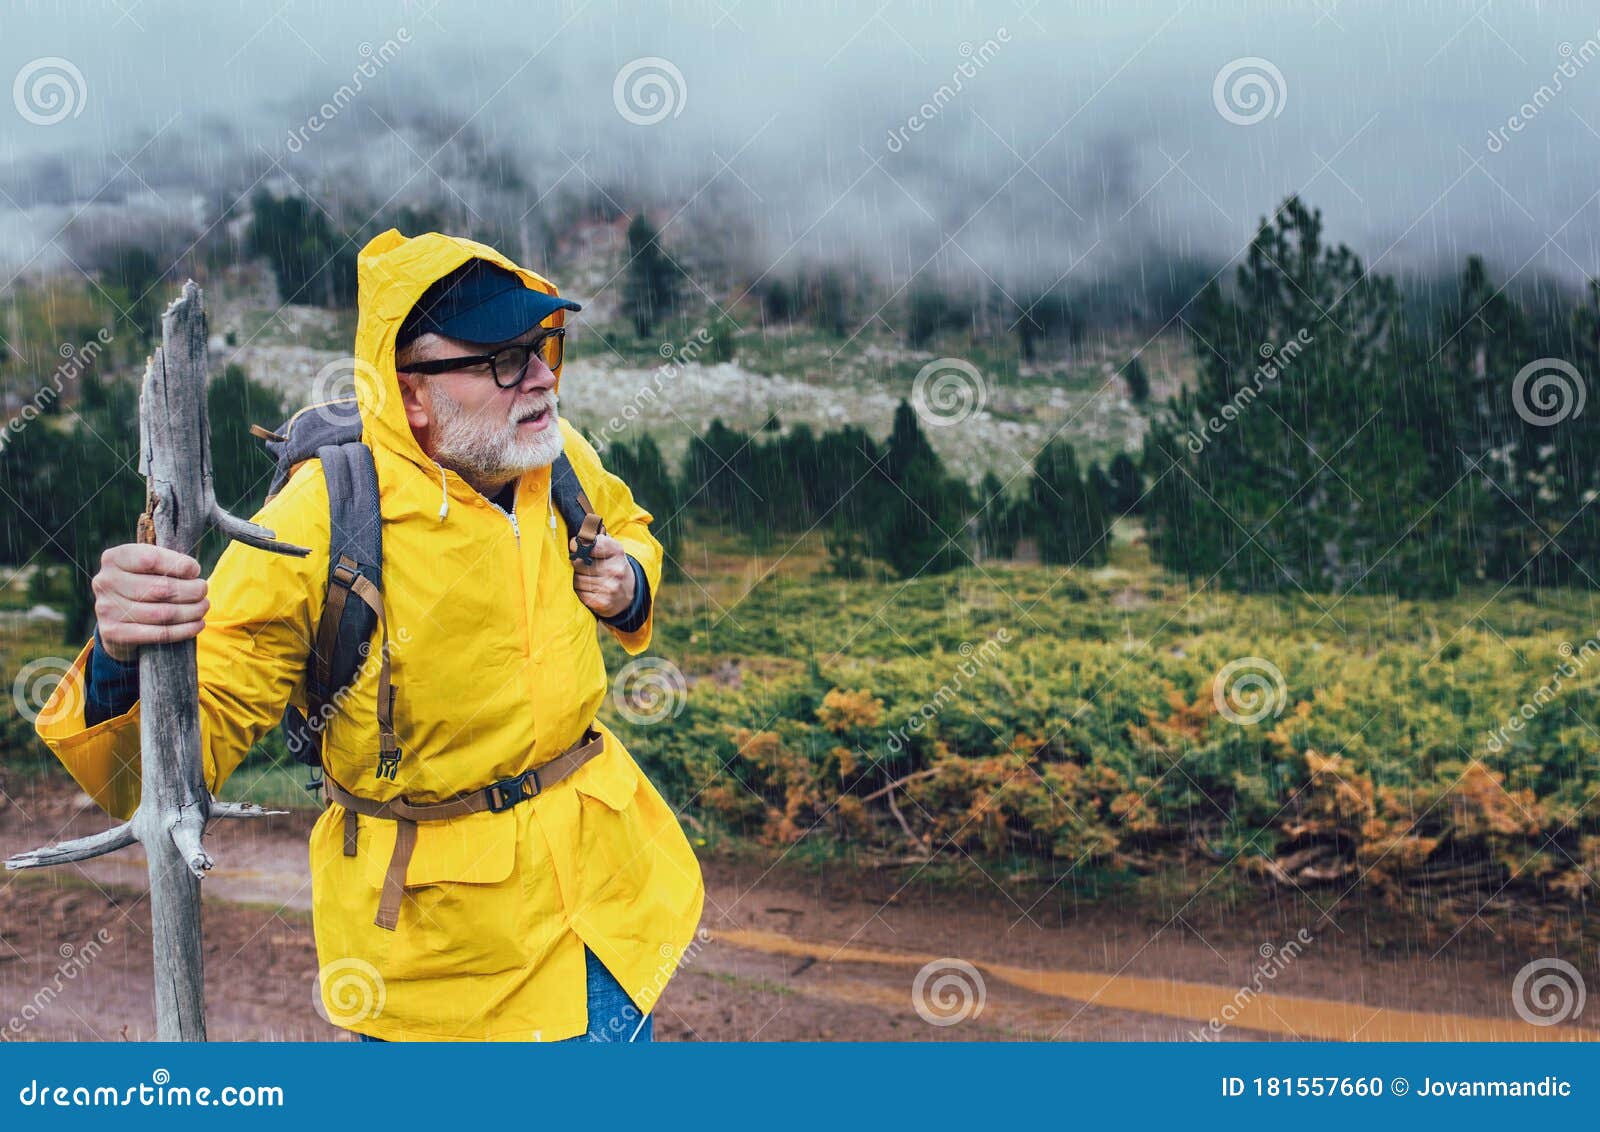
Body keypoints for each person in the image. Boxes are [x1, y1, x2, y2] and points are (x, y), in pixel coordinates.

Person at [32, 230, 705, 1042]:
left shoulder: (552, 456)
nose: (540, 378)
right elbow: (157, 773)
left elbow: (628, 524)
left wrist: (630, 578)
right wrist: (120, 656)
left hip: (614, 902)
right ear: (411, 390)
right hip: (446, 970)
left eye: (543, 346)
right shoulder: (323, 521)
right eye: (501, 359)